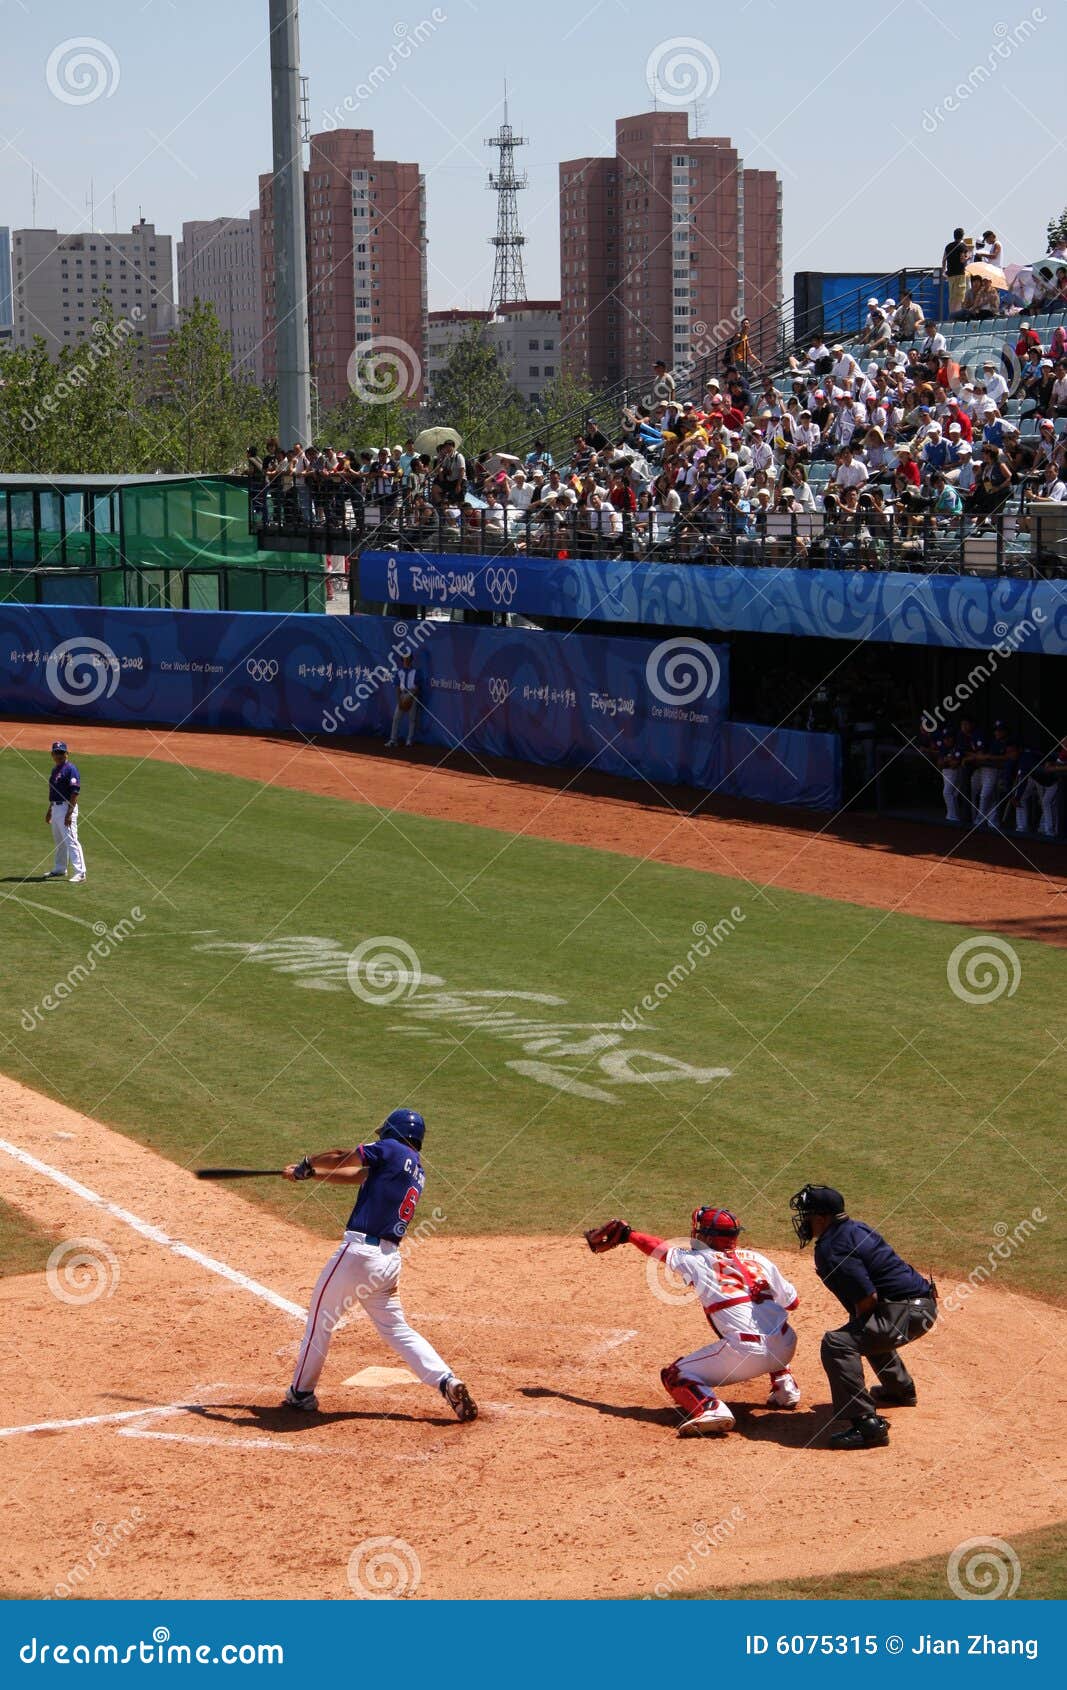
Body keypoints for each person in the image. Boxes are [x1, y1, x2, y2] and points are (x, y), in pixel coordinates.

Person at [281, 1109, 477, 1421]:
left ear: (394, 1133)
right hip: (387, 1263)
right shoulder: (415, 1169)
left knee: (320, 1320)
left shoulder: (392, 1149)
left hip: (358, 1255)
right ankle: (446, 1381)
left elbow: (343, 1156)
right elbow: (356, 1175)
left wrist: (309, 1162)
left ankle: (301, 1393)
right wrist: (312, 1175)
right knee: (397, 1329)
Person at [584, 1206, 801, 1437]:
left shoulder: (697, 1260)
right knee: (767, 1322)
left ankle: (711, 1409)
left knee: (675, 1375)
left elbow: (658, 1248)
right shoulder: (759, 1259)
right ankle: (785, 1388)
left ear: (707, 1236)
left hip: (747, 1354)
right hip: (787, 1346)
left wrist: (629, 1235)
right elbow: (792, 1303)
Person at [789, 1184, 937, 1449]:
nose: (804, 1221)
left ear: (822, 1218)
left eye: (807, 1215)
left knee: (839, 1343)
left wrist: (861, 1324)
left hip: (906, 1313)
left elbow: (867, 1299)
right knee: (862, 1328)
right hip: (921, 1307)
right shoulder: (856, 1228)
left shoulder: (832, 1248)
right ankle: (899, 1390)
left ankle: (867, 1426)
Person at [46, 740, 86, 883]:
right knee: (59, 840)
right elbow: (54, 792)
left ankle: (80, 873)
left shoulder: (71, 769)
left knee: (71, 840)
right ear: (52, 754)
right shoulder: (55, 770)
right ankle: (60, 868)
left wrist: (69, 813)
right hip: (56, 808)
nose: (59, 755)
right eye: (56, 752)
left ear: (67, 754)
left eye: (62, 752)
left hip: (66, 807)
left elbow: (74, 792)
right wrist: (50, 810)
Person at [386, 650, 419, 750]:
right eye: (404, 658)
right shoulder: (399, 672)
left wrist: (410, 697)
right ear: (402, 659)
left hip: (413, 696)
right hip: (402, 695)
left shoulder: (416, 672)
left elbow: (417, 687)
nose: (406, 660)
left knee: (412, 719)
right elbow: (397, 687)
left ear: (411, 659)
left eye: (408, 658)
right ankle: (393, 740)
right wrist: (399, 700)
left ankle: (409, 741)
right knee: (396, 718)